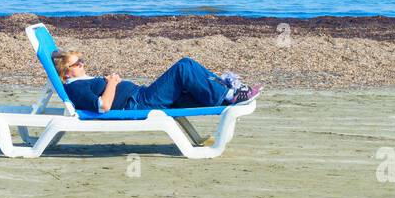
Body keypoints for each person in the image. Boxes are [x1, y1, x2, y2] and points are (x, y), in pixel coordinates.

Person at [51, 50, 260, 115]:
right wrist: (113, 82)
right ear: (66, 73)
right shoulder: (75, 87)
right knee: (184, 66)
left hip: (141, 96)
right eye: (77, 63)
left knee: (192, 87)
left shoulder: (79, 81)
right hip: (138, 103)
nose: (82, 63)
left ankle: (227, 93)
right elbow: (103, 106)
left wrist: (111, 83)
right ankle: (230, 93)